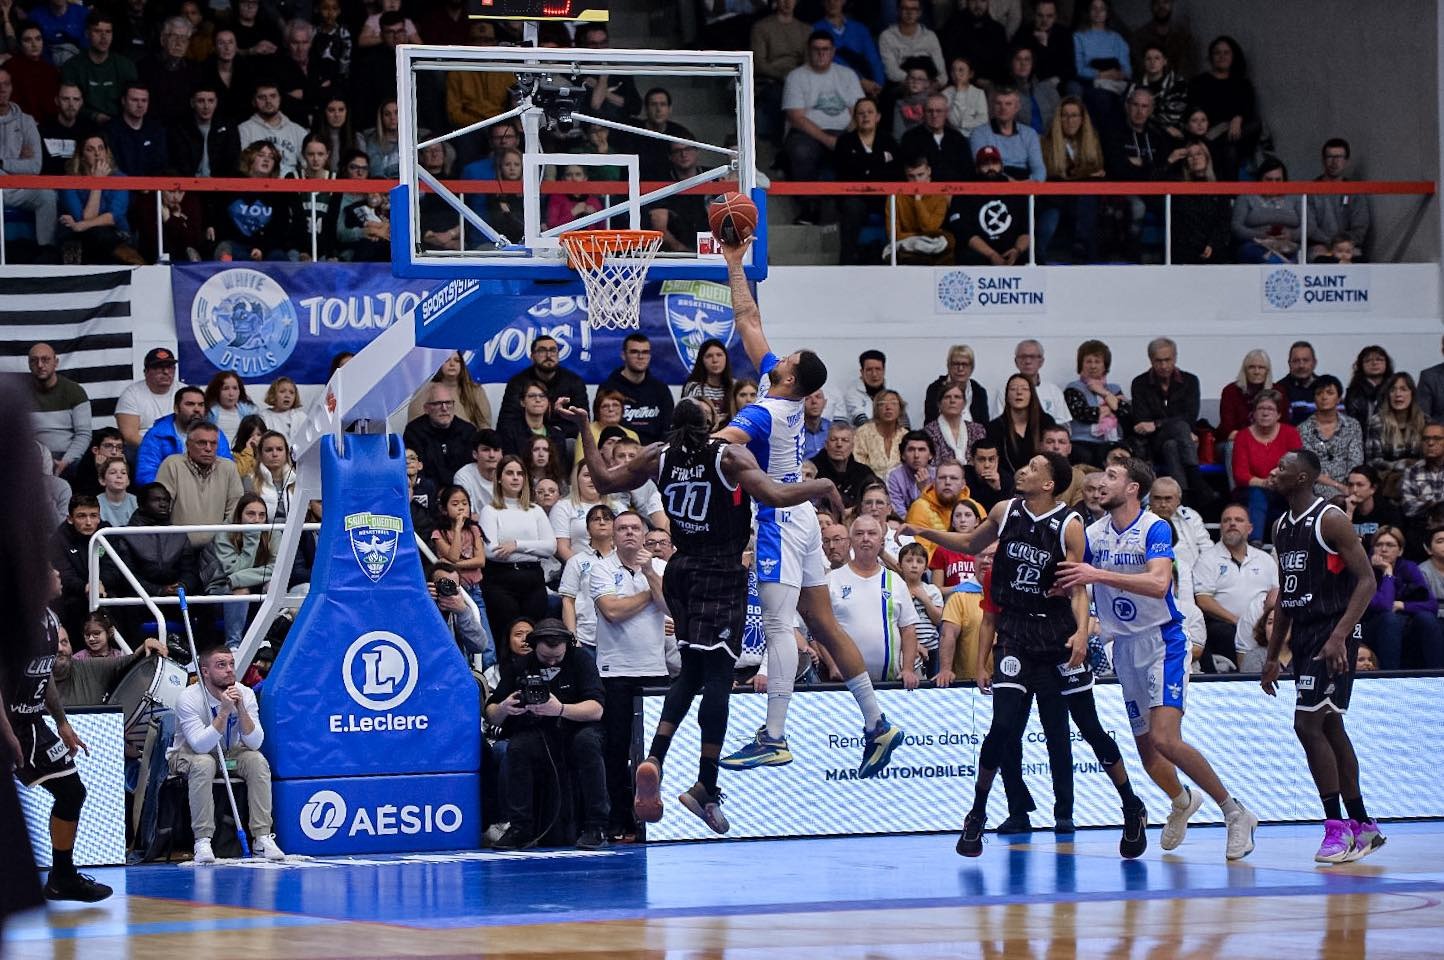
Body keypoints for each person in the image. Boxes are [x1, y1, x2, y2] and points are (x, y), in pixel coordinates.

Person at [560, 394, 843, 833]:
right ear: (712, 423)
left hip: (679, 569)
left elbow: (600, 477)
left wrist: (584, 426)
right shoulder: (728, 457)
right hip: (719, 570)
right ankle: (705, 783)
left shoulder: (658, 455)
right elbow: (775, 494)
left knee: (690, 671)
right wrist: (821, 487)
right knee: (717, 677)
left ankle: (654, 756)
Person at [707, 238, 903, 775]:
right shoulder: (785, 392)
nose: (780, 354)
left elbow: (724, 439)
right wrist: (732, 260)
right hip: (804, 521)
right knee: (821, 622)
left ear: (788, 376)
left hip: (777, 520)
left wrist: (694, 440)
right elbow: (748, 321)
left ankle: (773, 735)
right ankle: (877, 723)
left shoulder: (767, 409)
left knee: (777, 628)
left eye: (787, 359)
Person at [909, 452, 1147, 858]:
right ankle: (977, 814)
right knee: (1001, 727)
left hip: (1057, 637)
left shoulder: (1070, 527)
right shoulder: (1005, 511)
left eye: (1033, 467)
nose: (1022, 469)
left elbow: (1077, 588)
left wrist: (1081, 634)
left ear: (1050, 483)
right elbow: (968, 544)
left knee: (1089, 729)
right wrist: (920, 531)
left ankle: (1131, 805)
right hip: (1016, 633)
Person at [1057, 458, 1260, 860]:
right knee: (1149, 754)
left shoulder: (1154, 527)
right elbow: (1073, 578)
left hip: (1163, 641)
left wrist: (1096, 576)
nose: (1102, 482)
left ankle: (1235, 812)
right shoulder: (1094, 533)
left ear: (1133, 488)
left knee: (1167, 739)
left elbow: (1157, 582)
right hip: (1125, 647)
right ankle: (1182, 800)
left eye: (1112, 476)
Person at [1264, 450, 1387, 862]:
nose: (1273, 471)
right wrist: (1271, 654)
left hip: (1335, 631)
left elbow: (1367, 581)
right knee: (1330, 725)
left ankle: (1336, 829)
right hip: (1304, 632)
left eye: (1282, 467)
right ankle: (1363, 825)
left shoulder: (1330, 519)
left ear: (1302, 478)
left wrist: (1338, 637)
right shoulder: (1282, 524)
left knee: (1307, 723)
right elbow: (1286, 594)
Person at [1, 563, 112, 901]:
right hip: (7, 722)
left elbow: (44, 672)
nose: (57, 573)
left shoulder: (49, 620)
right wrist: (7, 735)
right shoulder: (11, 619)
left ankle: (62, 876)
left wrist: (62, 722)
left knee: (71, 791)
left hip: (33, 721)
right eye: (49, 569)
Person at [485, 619, 608, 851]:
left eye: (557, 658)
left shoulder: (581, 660)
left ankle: (596, 825)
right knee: (518, 747)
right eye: (545, 658)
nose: (551, 662)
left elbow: (596, 709)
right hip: (540, 730)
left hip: (577, 727)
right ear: (534, 647)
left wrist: (560, 709)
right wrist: (504, 708)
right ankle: (521, 827)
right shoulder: (521, 665)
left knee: (587, 743)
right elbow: (491, 713)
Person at [589, 510, 670, 839]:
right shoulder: (601, 568)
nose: (628, 533)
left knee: (656, 753)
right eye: (621, 528)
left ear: (645, 533)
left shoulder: (661, 567)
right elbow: (611, 611)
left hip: (655, 669)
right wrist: (651, 594)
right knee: (617, 751)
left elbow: (672, 608)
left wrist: (650, 572)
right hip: (615, 671)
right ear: (613, 534)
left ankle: (659, 824)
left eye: (635, 528)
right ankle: (621, 821)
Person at [172, 643, 283, 864]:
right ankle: (202, 840)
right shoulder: (189, 698)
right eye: (221, 665)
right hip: (189, 754)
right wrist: (223, 712)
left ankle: (262, 837)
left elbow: (255, 742)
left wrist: (240, 708)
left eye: (231, 664)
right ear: (205, 671)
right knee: (205, 763)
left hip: (230, 754)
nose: (230, 670)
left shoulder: (246, 694)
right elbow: (199, 745)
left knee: (257, 762)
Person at [1193, 503, 1278, 673]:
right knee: (1221, 631)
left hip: (1263, 623)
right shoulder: (1207, 559)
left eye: (1238, 520)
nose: (1232, 524)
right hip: (1226, 626)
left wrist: (1262, 623)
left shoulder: (1265, 559)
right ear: (1221, 527)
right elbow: (1203, 600)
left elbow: (1276, 594)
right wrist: (1237, 621)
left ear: (1250, 528)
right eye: (1227, 520)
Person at [1130, 337, 1213, 507]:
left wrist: (1157, 424)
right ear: (1151, 360)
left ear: (1175, 358)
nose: (1164, 365)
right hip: (1153, 444)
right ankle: (1195, 475)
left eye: (1167, 360)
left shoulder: (1190, 381)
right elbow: (1141, 421)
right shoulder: (1140, 383)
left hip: (1178, 442)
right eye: (1158, 361)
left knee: (1172, 446)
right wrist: (1165, 425)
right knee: (1180, 427)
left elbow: (1190, 416)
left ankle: (1184, 498)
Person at [1361, 527, 1443, 671]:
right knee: (1390, 619)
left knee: (1427, 619)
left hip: (1402, 626)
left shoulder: (1408, 567)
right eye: (1379, 545)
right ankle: (1389, 675)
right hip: (1372, 626)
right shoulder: (1365, 569)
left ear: (1400, 551)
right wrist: (1387, 572)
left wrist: (1403, 605)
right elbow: (1384, 606)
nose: (1383, 549)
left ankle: (1437, 674)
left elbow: (1432, 605)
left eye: (1390, 545)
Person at [1037, 95, 1104, 263]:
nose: (1069, 120)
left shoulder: (1091, 139)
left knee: (1088, 199)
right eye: (1064, 115)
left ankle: (1086, 257)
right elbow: (1052, 171)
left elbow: (1098, 168)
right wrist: (1085, 173)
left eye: (1074, 115)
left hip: (1082, 200)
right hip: (1056, 199)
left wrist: (1071, 173)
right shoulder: (1046, 142)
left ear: (1082, 119)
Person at [155, 421, 243, 547]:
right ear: (188, 445)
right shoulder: (172, 465)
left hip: (218, 549)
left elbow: (234, 514)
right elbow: (161, 511)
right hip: (177, 549)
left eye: (213, 443)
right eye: (202, 443)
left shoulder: (228, 467)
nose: (208, 448)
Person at [205, 494, 274, 649]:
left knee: (272, 585)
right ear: (239, 515)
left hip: (252, 586)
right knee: (241, 590)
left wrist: (237, 579)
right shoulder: (225, 532)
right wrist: (252, 539)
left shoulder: (272, 530)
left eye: (261, 515)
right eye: (251, 514)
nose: (257, 520)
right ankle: (233, 646)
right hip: (221, 589)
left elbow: (278, 568)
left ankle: (265, 641)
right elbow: (234, 570)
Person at [1232, 390, 1300, 537]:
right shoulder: (1243, 436)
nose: (1265, 413)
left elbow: (1296, 464)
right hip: (1252, 490)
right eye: (1261, 408)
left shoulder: (1290, 433)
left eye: (1270, 409)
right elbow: (1240, 474)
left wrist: (1278, 479)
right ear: (1254, 414)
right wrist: (1265, 483)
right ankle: (1255, 544)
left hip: (1283, 487)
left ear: (1279, 415)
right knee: (1258, 495)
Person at [497, 336, 589, 443]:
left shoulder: (574, 382)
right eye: (542, 351)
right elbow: (506, 422)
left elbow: (582, 422)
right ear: (532, 356)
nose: (548, 355)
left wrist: (554, 432)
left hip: (561, 438)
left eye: (553, 350)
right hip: (526, 439)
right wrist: (533, 432)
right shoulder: (518, 383)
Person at [26, 343, 90, 477]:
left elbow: (83, 434)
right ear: (29, 364)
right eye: (34, 360)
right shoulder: (19, 393)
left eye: (45, 359)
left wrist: (66, 461)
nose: (40, 365)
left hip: (68, 457)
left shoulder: (75, 391)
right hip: (33, 456)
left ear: (56, 362)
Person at [599, 334, 674, 446]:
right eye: (634, 352)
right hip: (620, 452)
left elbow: (669, 429)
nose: (640, 357)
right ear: (624, 355)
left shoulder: (661, 389)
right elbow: (603, 428)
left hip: (654, 452)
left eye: (645, 352)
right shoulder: (609, 387)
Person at [559, 504, 615, 655]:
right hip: (587, 638)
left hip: (622, 637)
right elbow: (568, 601)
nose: (602, 522)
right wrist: (572, 637)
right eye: (596, 519)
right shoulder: (576, 561)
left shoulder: (625, 558)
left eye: (607, 519)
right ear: (588, 528)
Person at [403, 382, 478, 490]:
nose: (444, 408)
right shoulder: (414, 432)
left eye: (448, 403)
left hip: (462, 493)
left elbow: (472, 470)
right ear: (426, 408)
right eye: (438, 403)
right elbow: (414, 470)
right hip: (428, 493)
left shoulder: (468, 431)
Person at [1064, 339, 1127, 466]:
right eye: (1088, 361)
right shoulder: (1073, 388)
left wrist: (1103, 392)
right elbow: (1082, 414)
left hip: (1112, 440)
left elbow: (1125, 413)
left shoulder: (1114, 388)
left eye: (1097, 362)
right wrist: (1111, 407)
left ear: (1105, 365)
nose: (1093, 366)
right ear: (1081, 364)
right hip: (1082, 441)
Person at [1298, 375, 1362, 501]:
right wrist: (1336, 486)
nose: (1324, 397)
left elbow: (1356, 460)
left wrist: (1349, 485)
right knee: (1337, 500)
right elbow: (1307, 467)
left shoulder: (1352, 425)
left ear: (1339, 398)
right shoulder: (1303, 429)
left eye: (1330, 393)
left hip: (1349, 483)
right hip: (1316, 484)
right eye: (1319, 393)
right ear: (1314, 399)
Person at [986, 374, 1055, 488]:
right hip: (1008, 486)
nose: (1019, 392)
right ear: (1007, 395)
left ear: (1032, 394)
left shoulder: (1046, 422)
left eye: (1024, 389)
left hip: (1042, 485)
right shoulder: (995, 427)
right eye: (1013, 389)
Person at [1307, 138, 1370, 262]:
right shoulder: (1311, 190)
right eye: (1330, 157)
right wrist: (1331, 244)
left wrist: (1343, 245)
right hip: (1320, 247)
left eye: (1339, 157)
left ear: (1346, 161)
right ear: (1323, 160)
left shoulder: (1355, 192)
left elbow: (1360, 227)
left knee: (1361, 262)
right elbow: (1310, 227)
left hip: (1349, 248)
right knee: (1319, 259)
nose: (1334, 162)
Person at [1232, 158, 1300, 264]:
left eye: (1278, 180)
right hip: (1255, 246)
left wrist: (1291, 235)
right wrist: (1261, 235)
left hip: (1287, 246)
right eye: (1269, 180)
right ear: (1260, 180)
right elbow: (1236, 227)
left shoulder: (1295, 197)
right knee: (1272, 261)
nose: (1273, 184)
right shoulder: (1246, 197)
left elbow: (1309, 225)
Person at [406, 351, 493, 433]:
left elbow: (484, 425)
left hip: (469, 443)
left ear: (462, 365)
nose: (452, 364)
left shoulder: (475, 390)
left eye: (457, 361)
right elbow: (414, 426)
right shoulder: (424, 390)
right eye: (447, 360)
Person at [1365, 373, 1427, 482]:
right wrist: (1402, 465)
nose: (1398, 394)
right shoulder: (1376, 422)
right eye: (1393, 390)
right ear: (1388, 395)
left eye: (1403, 389)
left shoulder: (1425, 421)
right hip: (1387, 482)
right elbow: (1373, 461)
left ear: (1412, 393)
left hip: (1421, 480)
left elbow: (1432, 458)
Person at [1216, 349, 1272, 461]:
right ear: (1244, 370)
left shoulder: (1277, 392)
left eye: (1261, 368)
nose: (1256, 371)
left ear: (1267, 371)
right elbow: (1229, 431)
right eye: (1252, 367)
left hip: (1267, 442)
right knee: (1234, 447)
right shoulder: (1230, 391)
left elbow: (1282, 426)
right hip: (1234, 443)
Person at [810, 421, 880, 507]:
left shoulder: (864, 473)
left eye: (845, 440)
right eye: (834, 440)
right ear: (826, 444)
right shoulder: (811, 470)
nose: (839, 444)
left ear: (852, 446)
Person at [924, 345, 990, 427]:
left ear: (972, 368)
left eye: (965, 364)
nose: (960, 368)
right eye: (956, 364)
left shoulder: (979, 391)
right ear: (948, 366)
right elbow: (929, 425)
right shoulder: (935, 389)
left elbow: (985, 427)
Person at [853, 390, 907, 479]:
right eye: (882, 403)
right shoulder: (863, 432)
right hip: (869, 484)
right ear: (876, 409)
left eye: (893, 403)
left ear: (900, 409)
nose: (888, 407)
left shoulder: (906, 436)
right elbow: (859, 465)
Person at [681, 338, 736, 425]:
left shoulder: (734, 386)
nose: (715, 360)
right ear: (702, 360)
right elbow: (689, 420)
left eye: (719, 355)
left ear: (726, 358)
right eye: (709, 356)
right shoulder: (693, 387)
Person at [887, 430, 936, 517]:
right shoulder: (894, 476)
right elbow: (898, 513)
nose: (916, 455)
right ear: (903, 455)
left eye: (921, 450)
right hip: (904, 525)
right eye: (911, 450)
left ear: (930, 455)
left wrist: (924, 490)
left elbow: (939, 511)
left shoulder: (938, 475)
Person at [1344, 345, 1393, 428]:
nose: (1374, 363)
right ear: (1361, 365)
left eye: (1379, 359)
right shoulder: (1354, 393)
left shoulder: (1394, 388)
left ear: (1386, 364)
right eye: (1368, 360)